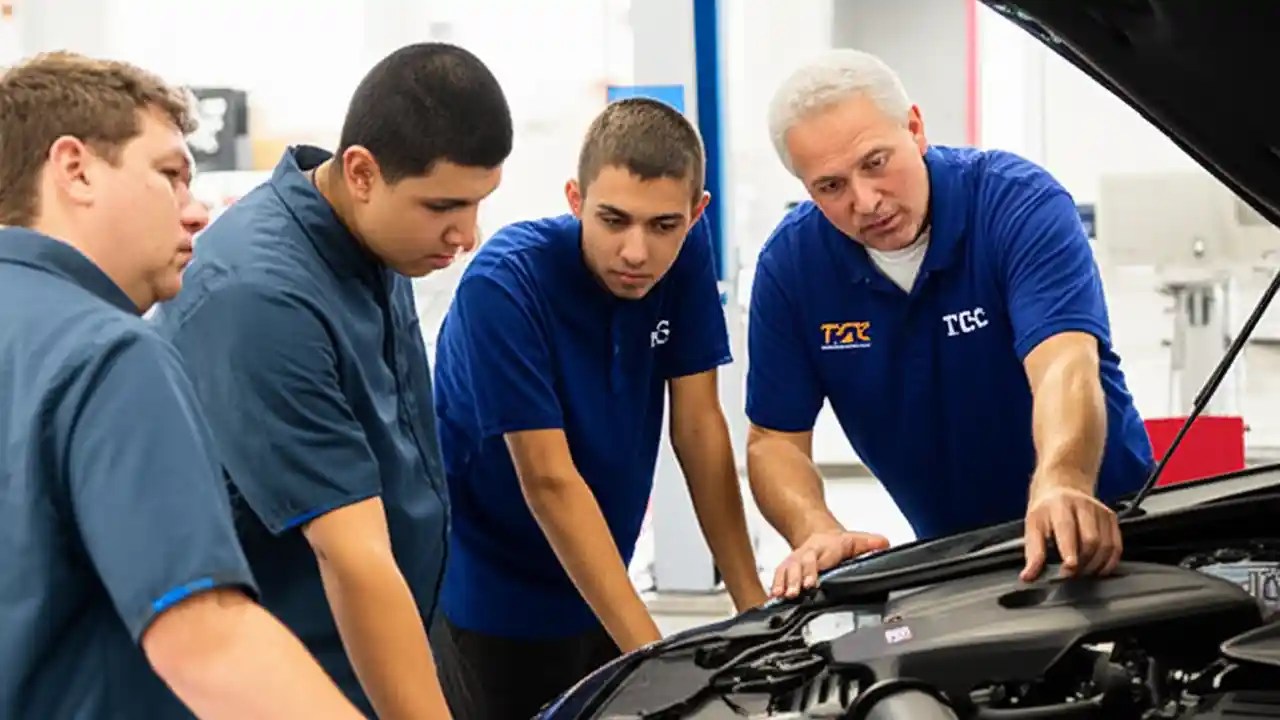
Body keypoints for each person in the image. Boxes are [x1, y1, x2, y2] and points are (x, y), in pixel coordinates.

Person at [149, 42, 512, 719]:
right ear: (362, 172)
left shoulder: (378, 241)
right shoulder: (260, 295)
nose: (466, 235)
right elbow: (351, 556)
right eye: (444, 206)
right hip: (303, 674)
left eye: (477, 203)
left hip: (397, 631)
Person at [0, 51, 363, 719]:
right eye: (170, 175)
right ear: (75, 169)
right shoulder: (107, 354)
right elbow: (207, 642)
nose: (195, 212)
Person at [746, 49, 1155, 598]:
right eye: (830, 187)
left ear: (915, 128)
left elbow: (1063, 361)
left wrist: (1063, 480)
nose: (865, 201)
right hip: (956, 563)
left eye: (875, 162)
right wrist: (814, 529)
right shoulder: (791, 267)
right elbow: (775, 441)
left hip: (1112, 532)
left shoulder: (1016, 204)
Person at [430, 97, 768, 719]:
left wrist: (755, 611)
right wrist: (652, 655)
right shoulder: (504, 285)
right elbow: (549, 481)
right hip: (496, 597)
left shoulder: (682, 253)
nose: (636, 252)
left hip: (606, 571)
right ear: (575, 199)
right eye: (613, 220)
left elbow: (698, 427)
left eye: (663, 225)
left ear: (696, 214)